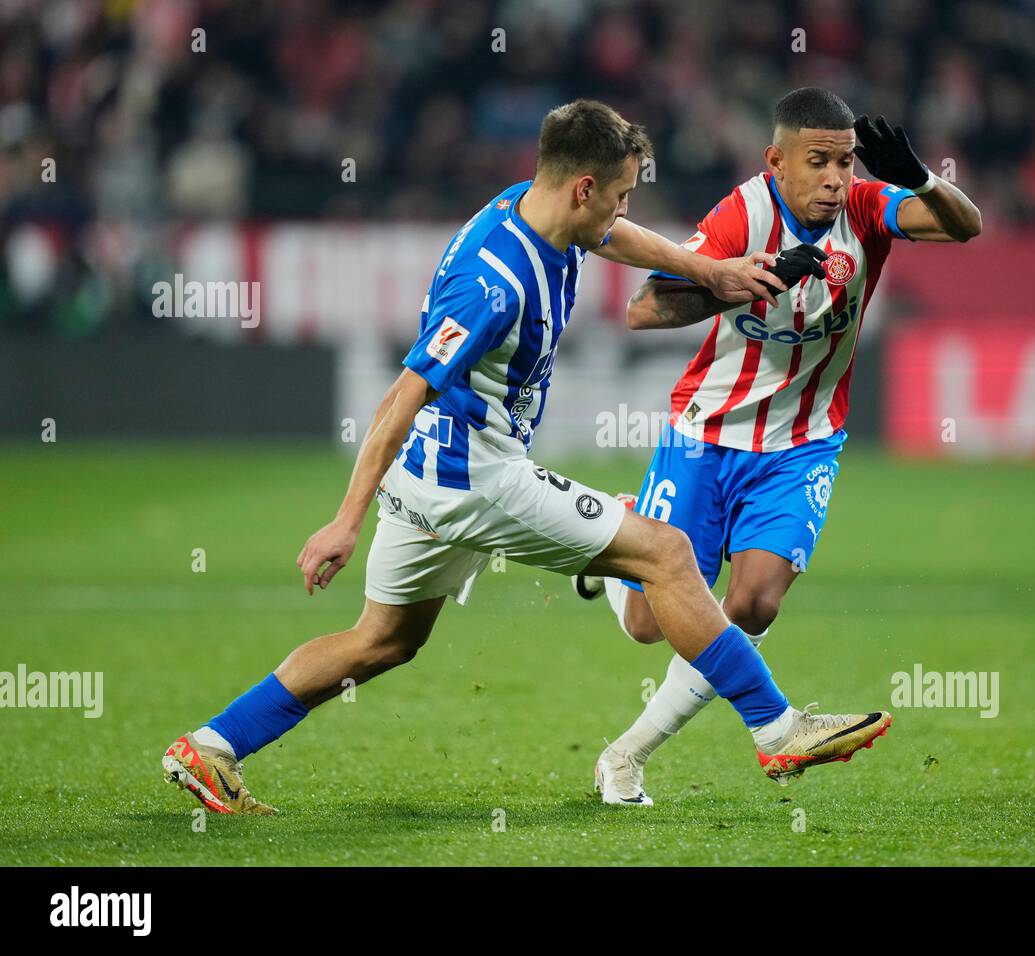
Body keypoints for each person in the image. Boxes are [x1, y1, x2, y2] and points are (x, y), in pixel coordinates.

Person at [160, 99, 889, 815]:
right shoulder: (494, 285)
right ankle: (776, 727)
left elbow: (616, 239)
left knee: (381, 641)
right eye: (621, 196)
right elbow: (398, 399)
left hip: (430, 474)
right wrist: (345, 521)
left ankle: (213, 745)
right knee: (665, 553)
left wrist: (712, 274)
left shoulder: (532, 204)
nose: (623, 210)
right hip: (474, 475)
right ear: (584, 189)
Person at [576, 88, 980, 806]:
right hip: (705, 435)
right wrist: (740, 283)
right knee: (648, 625)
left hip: (803, 445)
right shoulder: (741, 214)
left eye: (846, 162)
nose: (835, 178)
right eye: (819, 162)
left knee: (755, 601)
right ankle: (615, 539)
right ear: (777, 161)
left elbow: (965, 228)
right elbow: (645, 308)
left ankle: (626, 756)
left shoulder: (865, 208)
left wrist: (920, 178)